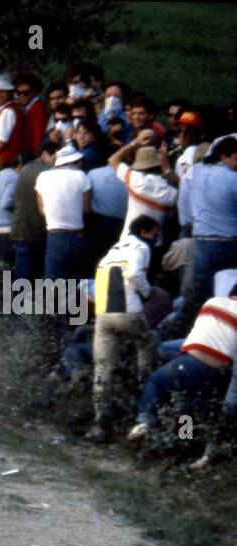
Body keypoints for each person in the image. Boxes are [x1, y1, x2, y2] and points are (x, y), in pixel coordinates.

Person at [88, 216, 162, 441]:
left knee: (102, 370)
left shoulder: (114, 250)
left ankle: (100, 424)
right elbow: (134, 274)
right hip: (127, 310)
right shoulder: (140, 247)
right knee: (148, 346)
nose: (156, 239)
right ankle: (142, 407)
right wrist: (148, 292)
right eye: (154, 233)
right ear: (143, 231)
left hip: (103, 314)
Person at [130, 291, 237, 441]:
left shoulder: (214, 302)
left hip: (192, 362)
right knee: (189, 401)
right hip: (218, 373)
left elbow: (200, 335)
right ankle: (184, 438)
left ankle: (145, 423)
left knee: (156, 382)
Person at [178, 137, 237, 326]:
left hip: (202, 242)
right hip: (230, 244)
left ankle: (183, 332)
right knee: (226, 296)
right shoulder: (234, 178)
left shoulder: (191, 170)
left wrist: (185, 223)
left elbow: (183, 195)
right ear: (223, 156)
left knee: (199, 298)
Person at [35, 143, 91, 280]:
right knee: (78, 285)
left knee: (55, 287)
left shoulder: (42, 177)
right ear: (74, 162)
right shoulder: (82, 176)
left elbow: (42, 210)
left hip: (55, 236)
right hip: (77, 235)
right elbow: (87, 209)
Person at [109, 132, 176, 241]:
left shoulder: (134, 178)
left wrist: (135, 142)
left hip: (129, 240)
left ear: (140, 167)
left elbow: (113, 160)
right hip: (155, 242)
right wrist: (167, 168)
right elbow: (185, 184)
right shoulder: (172, 193)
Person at [10, 140, 58, 281]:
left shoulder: (27, 168)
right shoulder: (46, 172)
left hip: (21, 230)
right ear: (45, 154)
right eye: (56, 157)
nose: (58, 162)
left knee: (23, 283)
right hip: (35, 233)